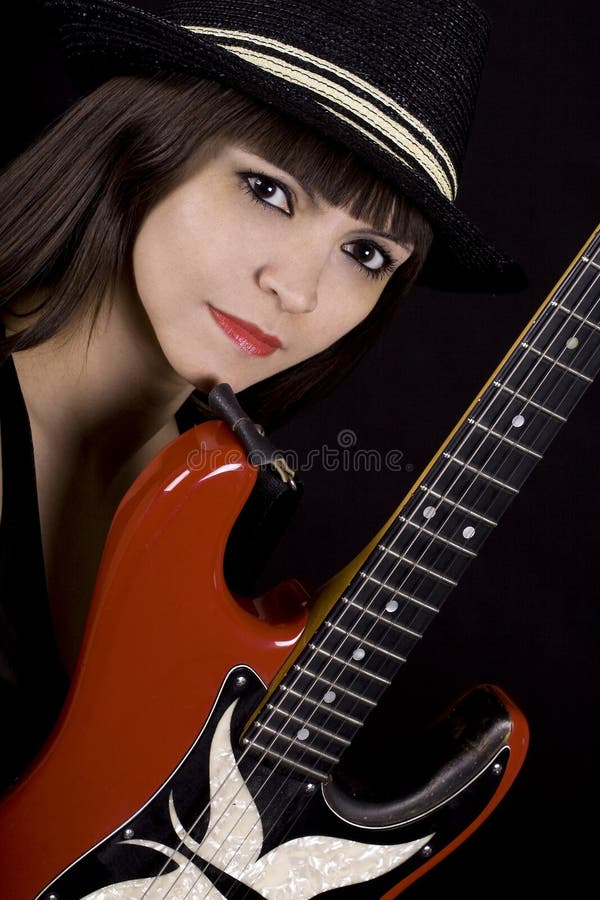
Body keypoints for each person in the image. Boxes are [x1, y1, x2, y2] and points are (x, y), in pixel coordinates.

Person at [0, 0, 525, 804]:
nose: (299, 291)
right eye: (268, 190)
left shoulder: (225, 504)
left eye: (366, 253)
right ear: (144, 142)